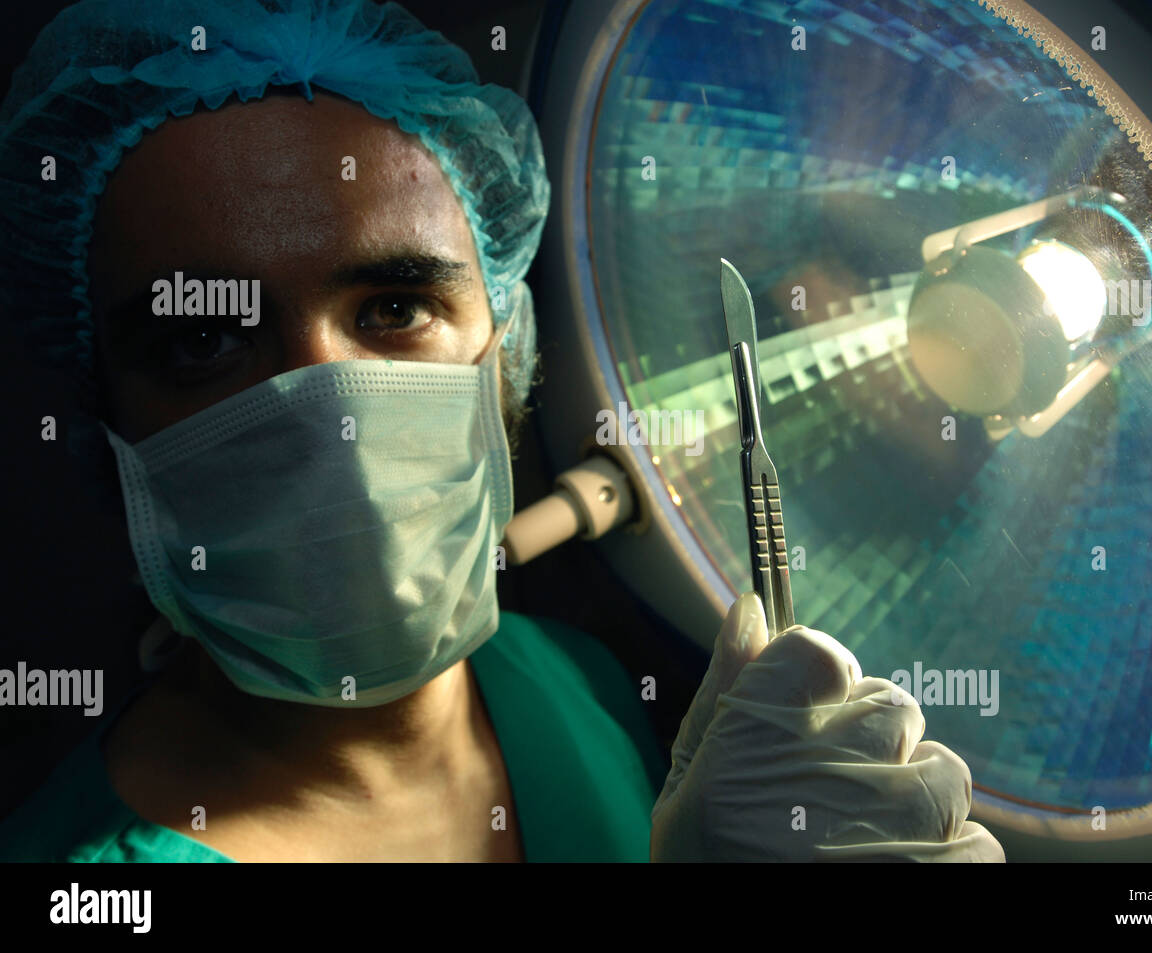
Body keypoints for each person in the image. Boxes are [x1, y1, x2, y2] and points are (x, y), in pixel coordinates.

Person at [0, 0, 1004, 863]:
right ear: (109, 427)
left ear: (506, 349)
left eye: (393, 310)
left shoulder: (555, 677)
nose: (333, 418)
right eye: (206, 339)